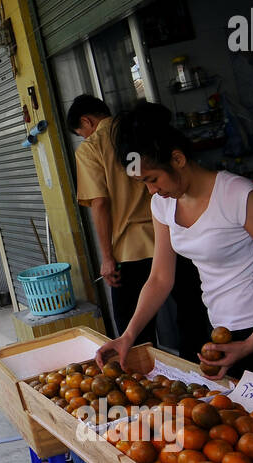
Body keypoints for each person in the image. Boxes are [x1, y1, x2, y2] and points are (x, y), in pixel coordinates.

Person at [95, 102, 253, 382]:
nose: (152, 190)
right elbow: (159, 279)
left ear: (178, 160)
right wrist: (128, 335)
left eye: (153, 179)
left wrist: (252, 342)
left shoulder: (239, 195)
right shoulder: (162, 206)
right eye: (144, 184)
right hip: (220, 333)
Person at [68, 95, 207, 358]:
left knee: (135, 335)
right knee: (192, 316)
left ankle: (150, 387)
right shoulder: (138, 133)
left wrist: (106, 257)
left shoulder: (91, 148)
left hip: (130, 250)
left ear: (87, 121)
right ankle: (199, 379)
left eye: (82, 132)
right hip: (174, 237)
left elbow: (100, 203)